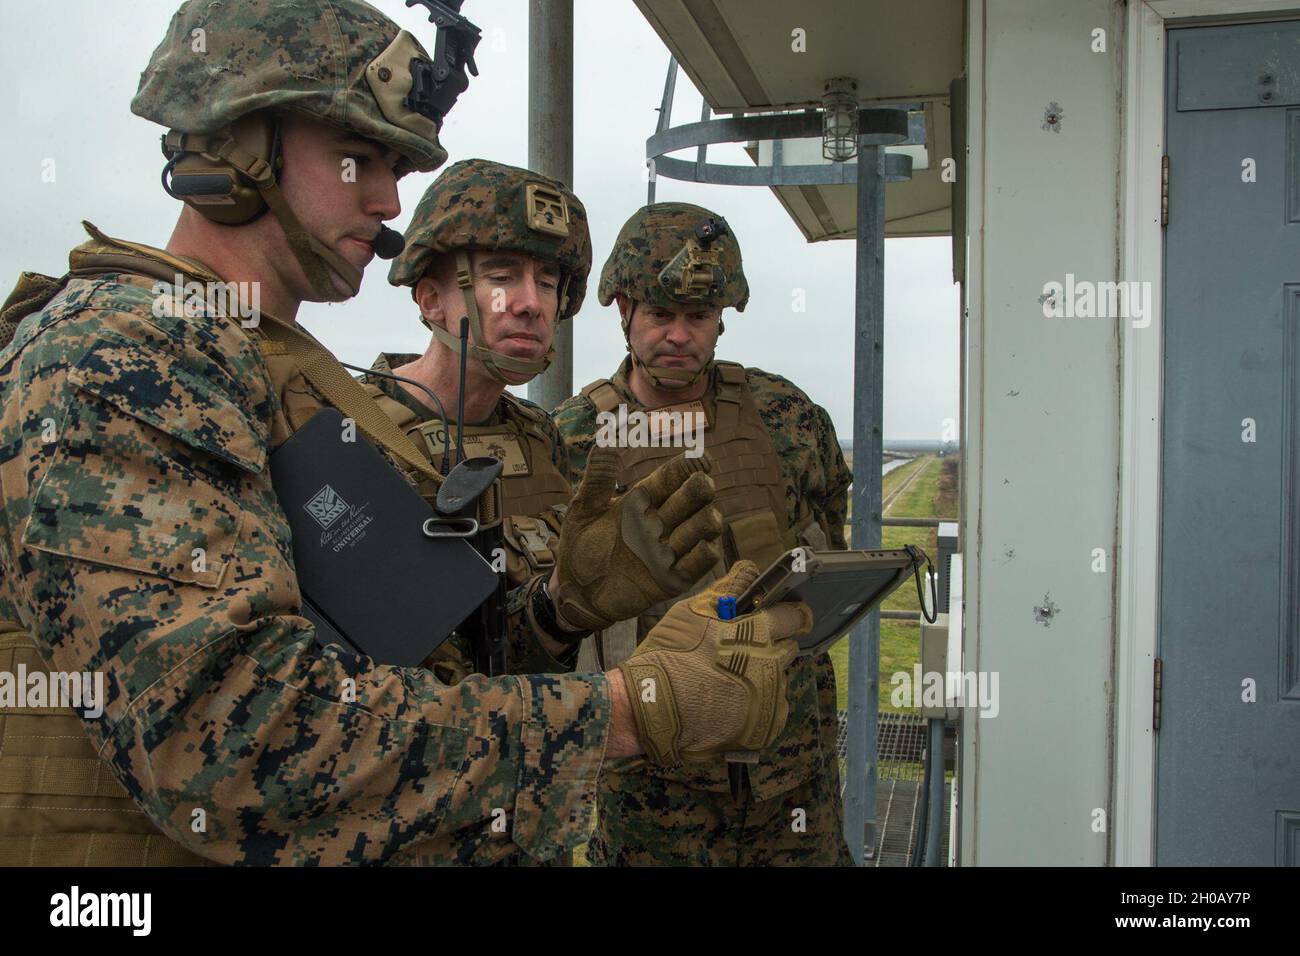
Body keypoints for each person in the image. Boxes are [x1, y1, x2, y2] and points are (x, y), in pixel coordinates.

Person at [0, 1, 807, 867]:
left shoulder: (278, 369)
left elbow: (414, 659)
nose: (388, 199)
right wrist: (629, 710)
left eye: (395, 166)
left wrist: (555, 608)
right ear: (239, 143)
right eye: (361, 159)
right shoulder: (122, 357)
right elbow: (238, 746)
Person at [554, 202, 855, 866]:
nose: (679, 336)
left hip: (789, 765)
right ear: (624, 310)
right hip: (656, 783)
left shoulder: (788, 417)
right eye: (661, 316)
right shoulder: (576, 436)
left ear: (723, 318)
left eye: (698, 318)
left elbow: (828, 529)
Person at [363, 158, 717, 684]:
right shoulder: (354, 434)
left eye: (548, 282)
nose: (531, 304)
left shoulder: (538, 433)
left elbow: (516, 656)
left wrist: (564, 607)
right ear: (431, 298)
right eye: (502, 278)